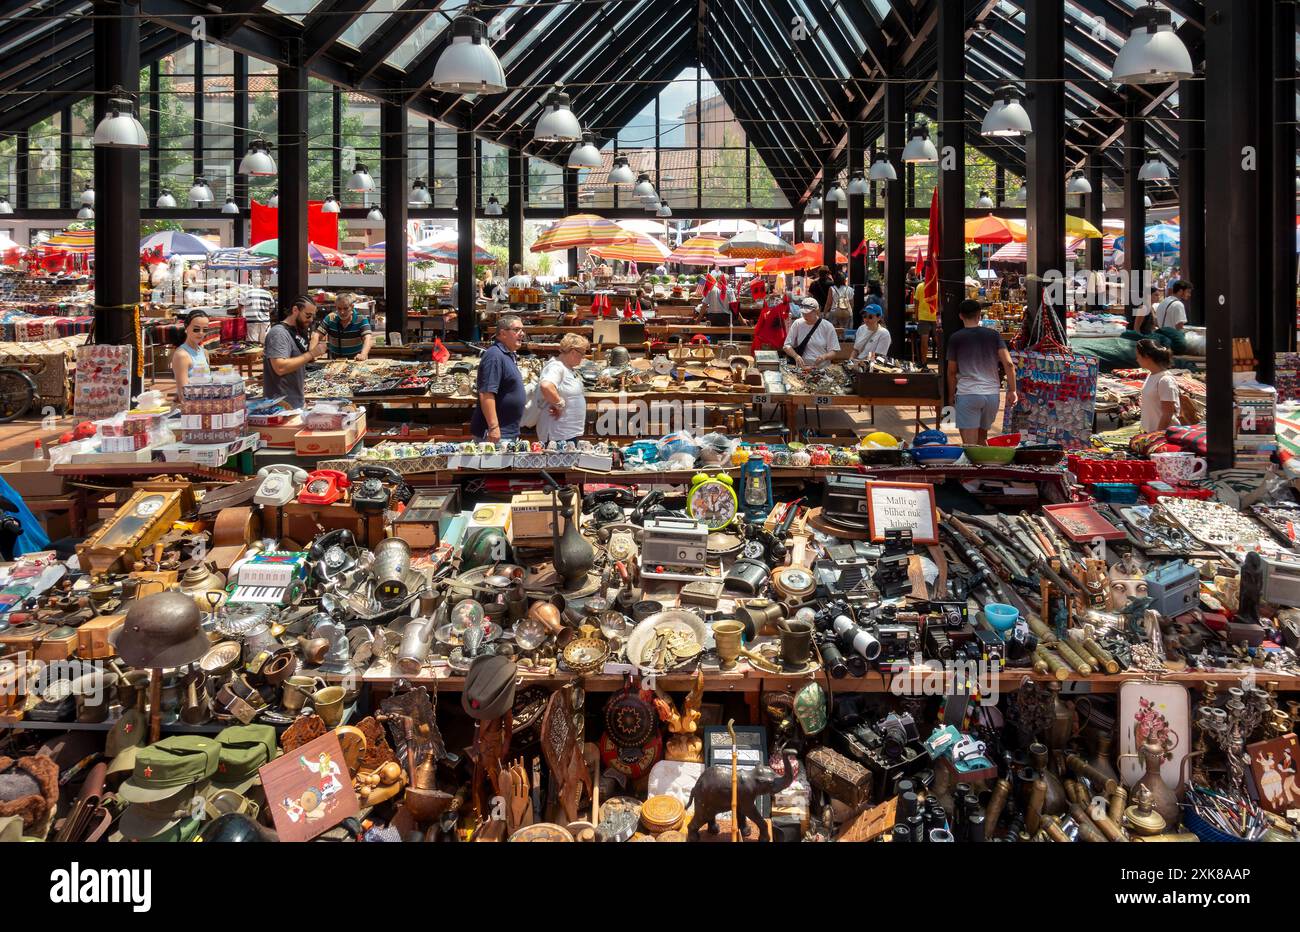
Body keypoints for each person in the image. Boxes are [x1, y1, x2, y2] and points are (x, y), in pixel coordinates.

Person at [946, 299, 1018, 445]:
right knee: (982, 439)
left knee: (970, 445)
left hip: (968, 394)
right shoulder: (994, 335)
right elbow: (1009, 364)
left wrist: (950, 397)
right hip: (992, 395)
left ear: (960, 316)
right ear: (980, 315)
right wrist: (1012, 390)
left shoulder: (956, 338)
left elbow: (952, 372)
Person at [470, 314, 527, 442]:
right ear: (502, 333)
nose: (522, 333)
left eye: (522, 330)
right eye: (517, 330)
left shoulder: (507, 354)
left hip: (506, 433)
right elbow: (486, 393)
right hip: (495, 435)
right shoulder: (494, 356)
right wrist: (493, 427)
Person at [263, 297, 323, 409]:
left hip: (294, 403)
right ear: (295, 310)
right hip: (280, 406)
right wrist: (311, 354)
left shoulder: (297, 332)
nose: (310, 320)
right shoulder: (279, 333)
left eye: (312, 316)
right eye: (308, 315)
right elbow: (280, 367)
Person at [537, 333, 589, 444]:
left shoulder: (568, 368)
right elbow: (546, 386)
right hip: (558, 435)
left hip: (567, 433)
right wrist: (559, 404)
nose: (583, 357)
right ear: (573, 352)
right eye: (583, 353)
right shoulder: (556, 367)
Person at [1137, 339, 1181, 433]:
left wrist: (1156, 435)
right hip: (1149, 432)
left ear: (1147, 357)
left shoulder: (1165, 380)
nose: (1137, 359)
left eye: (1138, 356)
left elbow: (1167, 414)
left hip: (1164, 435)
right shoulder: (1151, 375)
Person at [312, 293, 373, 361]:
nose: (342, 312)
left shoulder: (361, 319)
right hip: (334, 362)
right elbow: (316, 335)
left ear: (352, 307)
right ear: (336, 307)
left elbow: (368, 338)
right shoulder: (330, 318)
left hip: (355, 361)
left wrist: (363, 354)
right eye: (339, 308)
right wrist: (311, 353)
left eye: (345, 308)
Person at [784, 296, 841, 368]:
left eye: (808, 313)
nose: (805, 315)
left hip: (822, 368)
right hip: (802, 367)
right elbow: (786, 346)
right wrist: (796, 356)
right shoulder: (797, 323)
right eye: (803, 313)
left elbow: (834, 351)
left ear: (816, 311)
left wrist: (824, 357)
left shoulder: (827, 326)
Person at [170, 310, 211, 395]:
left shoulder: (204, 352)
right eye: (196, 329)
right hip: (190, 405)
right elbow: (183, 392)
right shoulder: (182, 355)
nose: (201, 333)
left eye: (205, 330)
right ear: (186, 328)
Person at [237, 277, 274, 343]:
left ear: (252, 283)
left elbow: (240, 305)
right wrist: (265, 314)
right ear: (262, 283)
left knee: (252, 344)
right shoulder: (268, 294)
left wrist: (241, 315)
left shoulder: (246, 293)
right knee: (265, 342)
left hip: (251, 321)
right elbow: (272, 307)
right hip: (265, 322)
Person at [914, 275, 936, 369]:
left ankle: (924, 363)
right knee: (938, 340)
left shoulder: (920, 286)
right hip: (935, 317)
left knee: (924, 342)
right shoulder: (937, 285)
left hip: (923, 317)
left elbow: (916, 303)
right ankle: (943, 361)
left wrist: (916, 315)